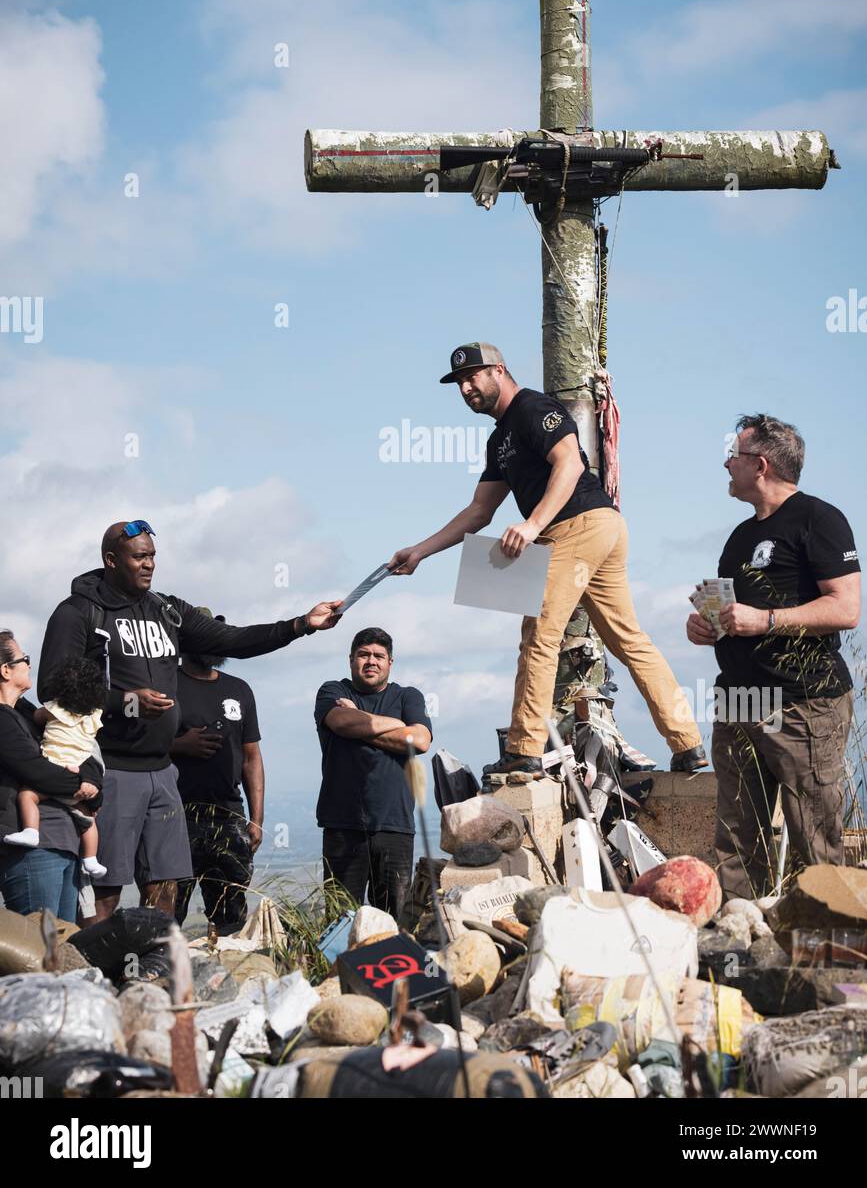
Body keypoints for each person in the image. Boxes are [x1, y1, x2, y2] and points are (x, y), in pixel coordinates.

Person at [389, 343, 704, 776]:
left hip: (577, 526)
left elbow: (570, 463)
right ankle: (688, 743)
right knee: (629, 640)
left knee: (539, 635)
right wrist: (420, 551)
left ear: (499, 371)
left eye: (472, 377)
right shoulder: (499, 439)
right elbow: (479, 511)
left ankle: (524, 750)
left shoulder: (532, 408)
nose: (465, 389)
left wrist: (533, 525)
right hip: (598, 528)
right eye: (459, 383)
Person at [37, 518, 342, 924]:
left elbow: (233, 639)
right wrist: (126, 703)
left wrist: (301, 625)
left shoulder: (167, 611)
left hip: (165, 775)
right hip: (113, 770)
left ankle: (156, 960)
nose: (149, 564)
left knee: (165, 886)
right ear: (111, 560)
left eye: (152, 556)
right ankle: (93, 963)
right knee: (104, 889)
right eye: (139, 557)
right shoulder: (79, 612)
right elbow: (52, 688)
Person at [686, 415, 861, 900]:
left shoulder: (819, 519)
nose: (727, 464)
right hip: (738, 703)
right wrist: (707, 628)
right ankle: (740, 934)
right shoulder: (740, 536)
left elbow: (846, 609)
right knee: (737, 842)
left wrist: (764, 620)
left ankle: (826, 940)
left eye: (734, 456)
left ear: (760, 465)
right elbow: (735, 616)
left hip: (803, 703)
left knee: (815, 840)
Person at [314, 627, 432, 920]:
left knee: (393, 921)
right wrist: (397, 725)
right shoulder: (333, 691)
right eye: (363, 654)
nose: (371, 661)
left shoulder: (408, 696)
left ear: (390, 662)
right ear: (351, 659)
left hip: (395, 825)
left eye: (379, 656)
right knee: (341, 921)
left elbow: (419, 741)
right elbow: (342, 723)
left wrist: (360, 720)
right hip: (342, 825)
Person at [171, 609, 264, 934]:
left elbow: (252, 758)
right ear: (183, 641)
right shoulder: (165, 683)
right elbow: (137, 745)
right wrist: (181, 746)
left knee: (230, 921)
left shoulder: (239, 689)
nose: (212, 642)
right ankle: (161, 966)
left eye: (216, 635)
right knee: (166, 919)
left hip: (228, 818)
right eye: (204, 635)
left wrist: (256, 819)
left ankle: (226, 967)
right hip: (175, 816)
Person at [0, 632, 102, 922]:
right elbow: (37, 771)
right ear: (6, 670)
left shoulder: (27, 712)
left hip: (64, 841)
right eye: (24, 659)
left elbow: (82, 750)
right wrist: (85, 789)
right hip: (32, 852)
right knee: (41, 941)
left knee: (63, 940)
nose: (29, 665)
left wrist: (93, 784)